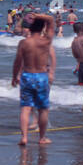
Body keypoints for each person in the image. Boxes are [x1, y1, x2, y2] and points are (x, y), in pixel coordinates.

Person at [13, 13, 57, 146]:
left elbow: (17, 62)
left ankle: (24, 137)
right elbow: (51, 20)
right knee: (43, 109)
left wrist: (14, 76)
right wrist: (38, 15)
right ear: (42, 27)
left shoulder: (24, 42)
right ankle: (42, 138)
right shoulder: (46, 41)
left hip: (27, 76)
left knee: (25, 109)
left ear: (30, 28)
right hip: (41, 76)